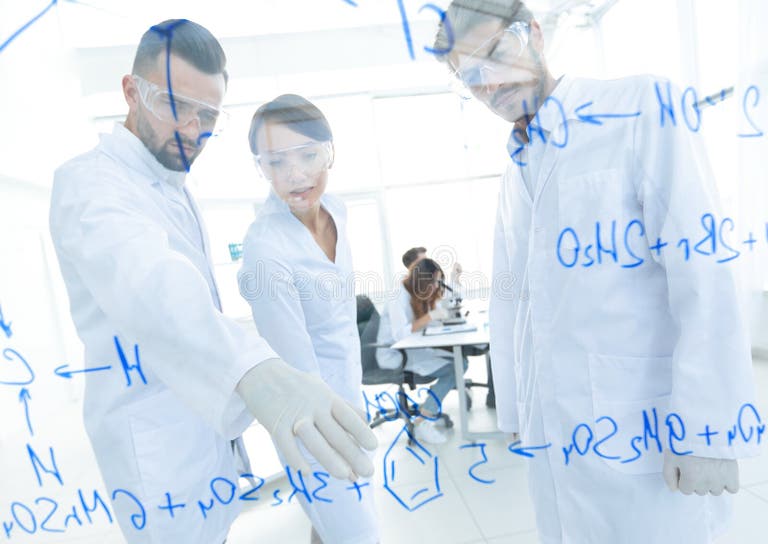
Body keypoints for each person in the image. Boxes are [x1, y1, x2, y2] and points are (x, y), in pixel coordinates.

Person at [433, 1, 758, 543]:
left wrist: (707, 429)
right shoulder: (515, 171)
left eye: (497, 52)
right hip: (556, 438)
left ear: (535, 34)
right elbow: (515, 304)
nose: (490, 83)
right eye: (471, 75)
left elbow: (703, 269)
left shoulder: (639, 107)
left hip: (647, 437)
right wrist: (518, 413)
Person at [49, 20, 376, 544]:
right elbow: (154, 287)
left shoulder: (172, 186)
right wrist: (259, 372)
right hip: (157, 451)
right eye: (175, 105)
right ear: (131, 92)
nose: (192, 128)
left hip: (204, 436)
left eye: (207, 115)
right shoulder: (90, 183)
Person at [237, 94, 379, 544]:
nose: (295, 174)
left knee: (333, 529)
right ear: (261, 167)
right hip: (311, 423)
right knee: (358, 536)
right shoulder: (266, 248)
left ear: (329, 152)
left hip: (350, 401)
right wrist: (333, 433)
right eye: (277, 161)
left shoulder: (337, 209)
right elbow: (295, 369)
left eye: (307, 155)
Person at [376, 258, 468, 444]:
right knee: (455, 367)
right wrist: (430, 317)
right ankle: (422, 421)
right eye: (433, 282)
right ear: (421, 280)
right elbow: (399, 334)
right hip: (395, 354)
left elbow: (447, 301)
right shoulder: (398, 295)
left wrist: (454, 280)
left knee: (460, 362)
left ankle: (428, 409)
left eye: (438, 282)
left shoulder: (419, 292)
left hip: (413, 349)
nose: (436, 287)